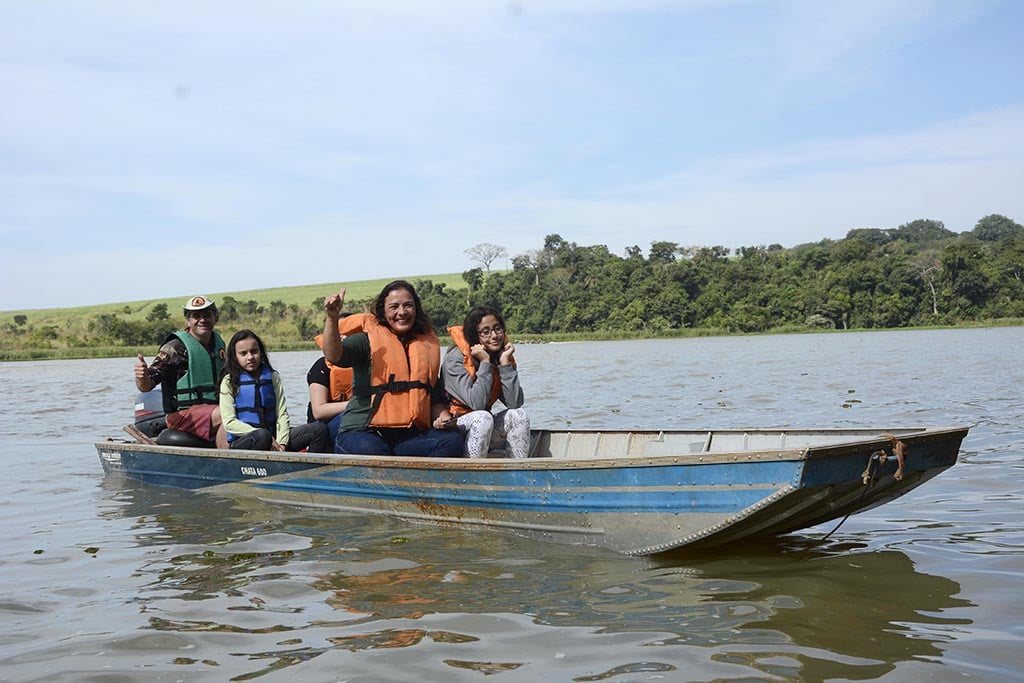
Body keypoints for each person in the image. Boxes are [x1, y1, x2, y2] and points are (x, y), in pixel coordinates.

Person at [321, 280, 463, 457]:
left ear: (416, 309)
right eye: (394, 307)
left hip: (407, 436)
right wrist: (332, 318)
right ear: (383, 311)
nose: (402, 312)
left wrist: (445, 419)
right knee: (374, 451)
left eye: (408, 306)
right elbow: (334, 355)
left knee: (452, 440)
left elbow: (432, 398)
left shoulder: (426, 345)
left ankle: (421, 483)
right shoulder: (366, 340)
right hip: (362, 431)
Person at [219, 329, 332, 452]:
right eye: (243, 353)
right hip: (248, 440)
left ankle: (310, 470)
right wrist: (266, 436)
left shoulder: (272, 377)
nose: (250, 357)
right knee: (263, 436)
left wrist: (281, 443)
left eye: (254, 351)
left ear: (261, 353)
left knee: (318, 430)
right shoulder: (229, 381)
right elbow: (229, 422)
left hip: (275, 438)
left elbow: (281, 414)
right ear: (235, 357)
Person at [134, 295, 226, 446]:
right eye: (196, 316)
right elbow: (146, 386)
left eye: (207, 315)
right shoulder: (175, 347)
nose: (202, 320)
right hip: (182, 415)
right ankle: (228, 460)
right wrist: (141, 376)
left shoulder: (218, 344)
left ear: (215, 317)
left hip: (213, 410)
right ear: (188, 320)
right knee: (227, 415)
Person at [443, 305, 531, 458]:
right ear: (474, 336)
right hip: (455, 430)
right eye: (486, 332)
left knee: (519, 415)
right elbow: (477, 404)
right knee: (483, 418)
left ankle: (517, 474)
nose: (495, 335)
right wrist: (485, 363)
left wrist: (504, 363)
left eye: (498, 328)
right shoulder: (455, 360)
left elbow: (514, 402)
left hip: (484, 429)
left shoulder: (501, 355)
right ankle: (474, 476)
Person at [306, 354, 351, 445]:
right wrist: (356, 404)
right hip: (327, 424)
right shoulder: (321, 366)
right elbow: (319, 411)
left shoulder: (369, 365)